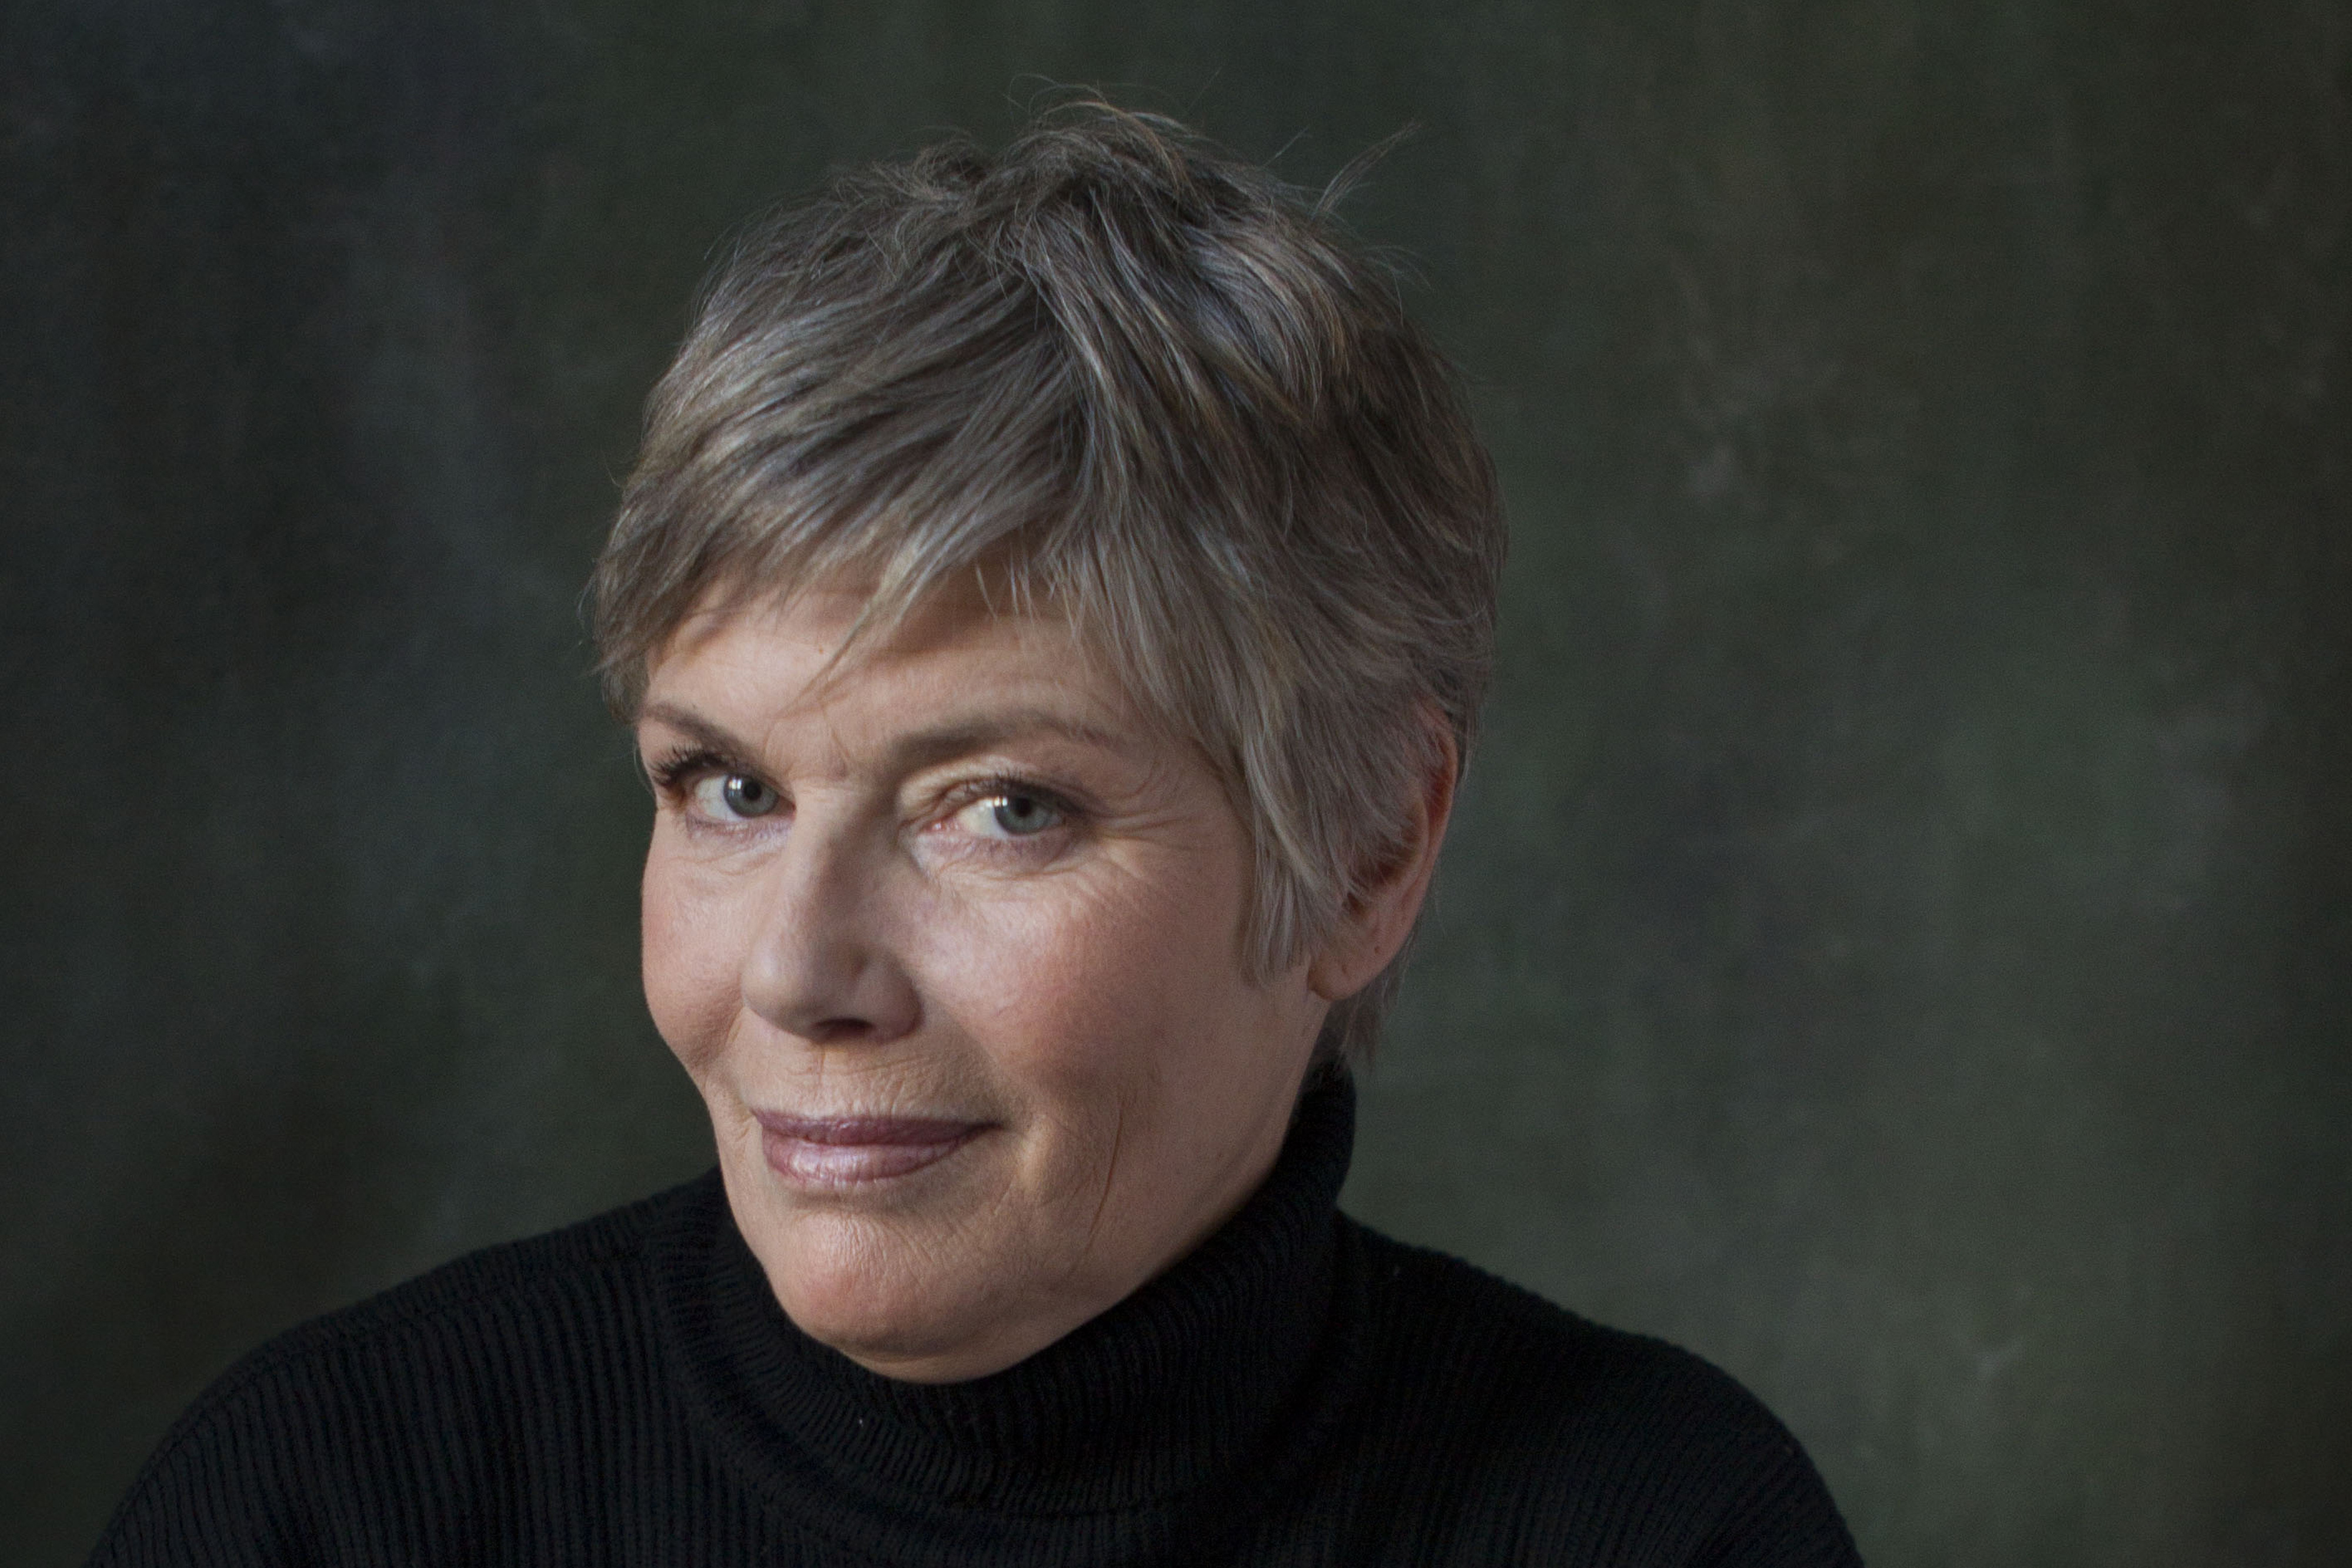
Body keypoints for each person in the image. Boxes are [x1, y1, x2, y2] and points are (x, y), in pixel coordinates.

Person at [89, 103, 1859, 1566]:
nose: (799, 972)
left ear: (1370, 849)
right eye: (729, 788)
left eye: (1003, 808)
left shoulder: (1661, 1524)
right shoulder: (325, 1502)